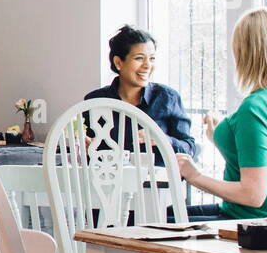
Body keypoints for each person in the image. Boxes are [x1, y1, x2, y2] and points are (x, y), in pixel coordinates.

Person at [176, 8, 267, 220]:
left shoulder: (255, 108)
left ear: (245, 52)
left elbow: (253, 194)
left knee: (151, 222)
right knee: (166, 217)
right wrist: (219, 136)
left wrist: (194, 176)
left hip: (252, 219)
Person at [84, 25, 195, 157]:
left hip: (159, 177)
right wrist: (82, 147)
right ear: (118, 62)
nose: (148, 65)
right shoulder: (95, 101)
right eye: (139, 58)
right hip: (108, 177)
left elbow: (190, 148)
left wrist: (165, 140)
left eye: (152, 58)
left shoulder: (168, 98)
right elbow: (85, 148)